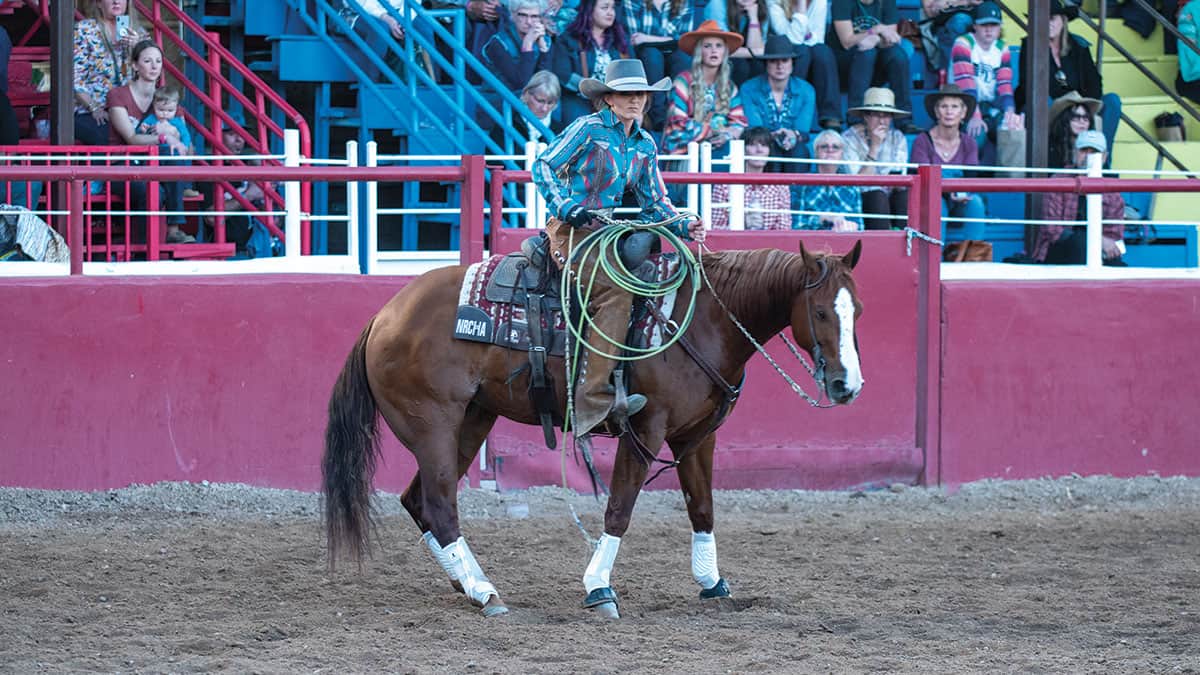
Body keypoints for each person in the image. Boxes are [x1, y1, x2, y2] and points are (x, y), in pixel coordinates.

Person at [531, 59, 705, 436]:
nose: (634, 100)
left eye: (640, 94)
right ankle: (591, 400)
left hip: (607, 230)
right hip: (572, 230)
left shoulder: (644, 143)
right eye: (626, 93)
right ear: (608, 98)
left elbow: (655, 202)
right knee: (615, 293)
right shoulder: (588, 129)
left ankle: (632, 378)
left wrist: (685, 223)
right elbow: (543, 165)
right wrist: (566, 206)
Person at [106, 40, 192, 245]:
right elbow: (132, 139)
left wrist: (175, 135)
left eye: (158, 61)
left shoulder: (168, 98)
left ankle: (171, 232)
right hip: (124, 165)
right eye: (147, 61)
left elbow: (186, 147)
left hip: (160, 166)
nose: (154, 66)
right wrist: (164, 136)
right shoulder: (118, 95)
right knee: (151, 188)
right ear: (135, 65)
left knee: (167, 170)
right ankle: (145, 251)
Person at [1015, 0, 1121, 158]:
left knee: (1112, 101)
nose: (1047, 23)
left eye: (1052, 19)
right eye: (1043, 19)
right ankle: (1047, 160)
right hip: (1050, 104)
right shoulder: (1029, 45)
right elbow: (1028, 85)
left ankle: (1102, 160)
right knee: (1043, 102)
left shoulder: (1079, 46)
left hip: (1080, 104)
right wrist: (1066, 102)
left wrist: (1080, 104)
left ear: (1063, 21)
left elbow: (1095, 84)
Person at [1032, 130, 1125, 265]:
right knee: (1079, 244)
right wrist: (1097, 240)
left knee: (1119, 267)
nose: (1088, 156)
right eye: (1083, 151)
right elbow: (1052, 230)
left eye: (1094, 152)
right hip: (1058, 250)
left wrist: (1101, 243)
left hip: (1097, 252)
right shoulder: (1058, 180)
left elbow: (1115, 237)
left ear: (1104, 157)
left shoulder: (1112, 193)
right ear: (1074, 153)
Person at [910, 84, 987, 241]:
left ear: (963, 113)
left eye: (955, 106)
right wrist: (947, 191)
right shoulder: (922, 141)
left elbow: (971, 177)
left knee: (976, 203)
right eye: (944, 106)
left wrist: (960, 192)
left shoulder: (969, 143)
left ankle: (973, 257)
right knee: (937, 204)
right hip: (930, 198)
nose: (949, 111)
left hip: (960, 198)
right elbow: (921, 179)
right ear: (937, 112)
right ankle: (935, 260)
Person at [950, 1, 1021, 168]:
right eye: (984, 25)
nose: (989, 30)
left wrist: (1010, 112)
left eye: (994, 25)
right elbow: (965, 83)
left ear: (1000, 27)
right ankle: (966, 184)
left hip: (989, 106)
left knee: (1012, 129)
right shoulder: (963, 43)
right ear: (975, 26)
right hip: (961, 103)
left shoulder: (1002, 48)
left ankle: (1009, 184)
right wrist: (974, 115)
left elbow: (1005, 85)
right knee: (976, 133)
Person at [662, 20, 748, 155]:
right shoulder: (682, 82)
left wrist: (728, 135)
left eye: (719, 46)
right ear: (698, 52)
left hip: (718, 149)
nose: (714, 50)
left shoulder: (730, 87)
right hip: (685, 152)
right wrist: (714, 130)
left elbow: (739, 122)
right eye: (707, 46)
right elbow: (678, 125)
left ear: (724, 52)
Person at [830, 0, 917, 133]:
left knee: (898, 55)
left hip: (874, 60)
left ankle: (904, 119)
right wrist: (875, 30)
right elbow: (847, 42)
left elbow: (890, 40)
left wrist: (876, 39)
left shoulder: (886, 2)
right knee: (866, 53)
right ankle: (856, 120)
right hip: (844, 64)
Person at [72, 0, 148, 145]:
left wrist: (137, 50)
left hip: (129, 110)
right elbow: (75, 78)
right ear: (99, 4)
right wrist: (94, 107)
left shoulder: (138, 33)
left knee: (162, 130)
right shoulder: (84, 30)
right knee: (107, 134)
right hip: (92, 108)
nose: (116, 1)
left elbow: (151, 76)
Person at [549, 0, 630, 127]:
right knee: (579, 126)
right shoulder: (569, 39)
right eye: (604, 7)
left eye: (612, 8)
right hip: (581, 97)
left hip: (614, 100)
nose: (610, 12)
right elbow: (562, 73)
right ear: (589, 10)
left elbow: (631, 74)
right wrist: (592, 89)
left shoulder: (619, 41)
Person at [737, 35, 816, 163]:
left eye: (785, 60)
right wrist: (772, 137)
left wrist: (793, 135)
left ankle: (795, 184)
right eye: (773, 61)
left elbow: (803, 130)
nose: (780, 66)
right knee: (768, 150)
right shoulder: (749, 88)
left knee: (799, 151)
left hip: (792, 145)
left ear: (792, 64)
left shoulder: (806, 90)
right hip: (761, 144)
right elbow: (755, 128)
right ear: (766, 64)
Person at [765, 0, 841, 129]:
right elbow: (788, 40)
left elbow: (817, 39)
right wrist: (801, 7)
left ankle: (830, 116)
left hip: (811, 55)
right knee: (802, 51)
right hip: (785, 57)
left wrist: (804, 36)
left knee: (822, 51)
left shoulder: (818, 2)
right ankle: (790, 110)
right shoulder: (774, 2)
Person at [840, 87, 908, 230]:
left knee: (905, 196)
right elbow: (856, 182)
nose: (882, 121)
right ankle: (883, 245)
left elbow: (899, 176)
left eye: (887, 116)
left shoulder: (898, 137)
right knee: (877, 196)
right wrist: (875, 147)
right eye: (877, 115)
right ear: (866, 116)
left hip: (891, 194)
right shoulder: (849, 138)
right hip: (862, 197)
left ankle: (905, 242)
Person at [621, 0, 694, 129]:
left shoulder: (684, 3)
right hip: (644, 55)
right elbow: (635, 39)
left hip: (674, 53)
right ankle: (658, 118)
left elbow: (685, 40)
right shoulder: (633, 2)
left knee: (683, 57)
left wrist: (648, 38)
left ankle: (678, 113)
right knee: (652, 55)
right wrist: (670, 40)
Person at [710, 127, 792, 229]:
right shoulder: (723, 186)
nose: (759, 150)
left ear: (769, 151)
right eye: (753, 145)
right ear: (743, 150)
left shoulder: (780, 187)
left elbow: (783, 229)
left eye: (764, 145)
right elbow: (716, 227)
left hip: (770, 244)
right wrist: (742, 225)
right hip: (734, 243)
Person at [797, 129, 863, 230]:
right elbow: (797, 225)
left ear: (842, 155)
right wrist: (822, 219)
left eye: (835, 147)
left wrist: (848, 226)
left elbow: (860, 227)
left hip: (844, 241)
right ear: (816, 153)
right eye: (824, 146)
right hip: (811, 242)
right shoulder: (802, 183)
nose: (830, 150)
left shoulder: (852, 187)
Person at [482, 0, 553, 93]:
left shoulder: (545, 41)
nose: (529, 22)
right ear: (513, 15)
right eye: (523, 15)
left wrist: (543, 49)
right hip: (498, 100)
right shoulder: (498, 43)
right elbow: (520, 84)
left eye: (535, 16)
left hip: (529, 101)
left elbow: (544, 80)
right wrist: (527, 46)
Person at [702, 0, 768, 84]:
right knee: (741, 66)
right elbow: (719, 49)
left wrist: (753, 18)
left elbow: (757, 50)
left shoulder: (760, 8)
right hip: (715, 56)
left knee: (759, 65)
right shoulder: (717, 4)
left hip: (742, 55)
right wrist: (755, 52)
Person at [919, 0, 981, 76]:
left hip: (977, 15)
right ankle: (953, 77)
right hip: (944, 21)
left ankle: (958, 75)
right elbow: (930, 11)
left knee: (960, 21)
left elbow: (977, 1)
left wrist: (951, 2)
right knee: (957, 24)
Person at [1047, 90, 1100, 170]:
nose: (1082, 122)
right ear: (1064, 120)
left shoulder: (1095, 146)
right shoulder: (1050, 146)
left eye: (1086, 118)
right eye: (1075, 117)